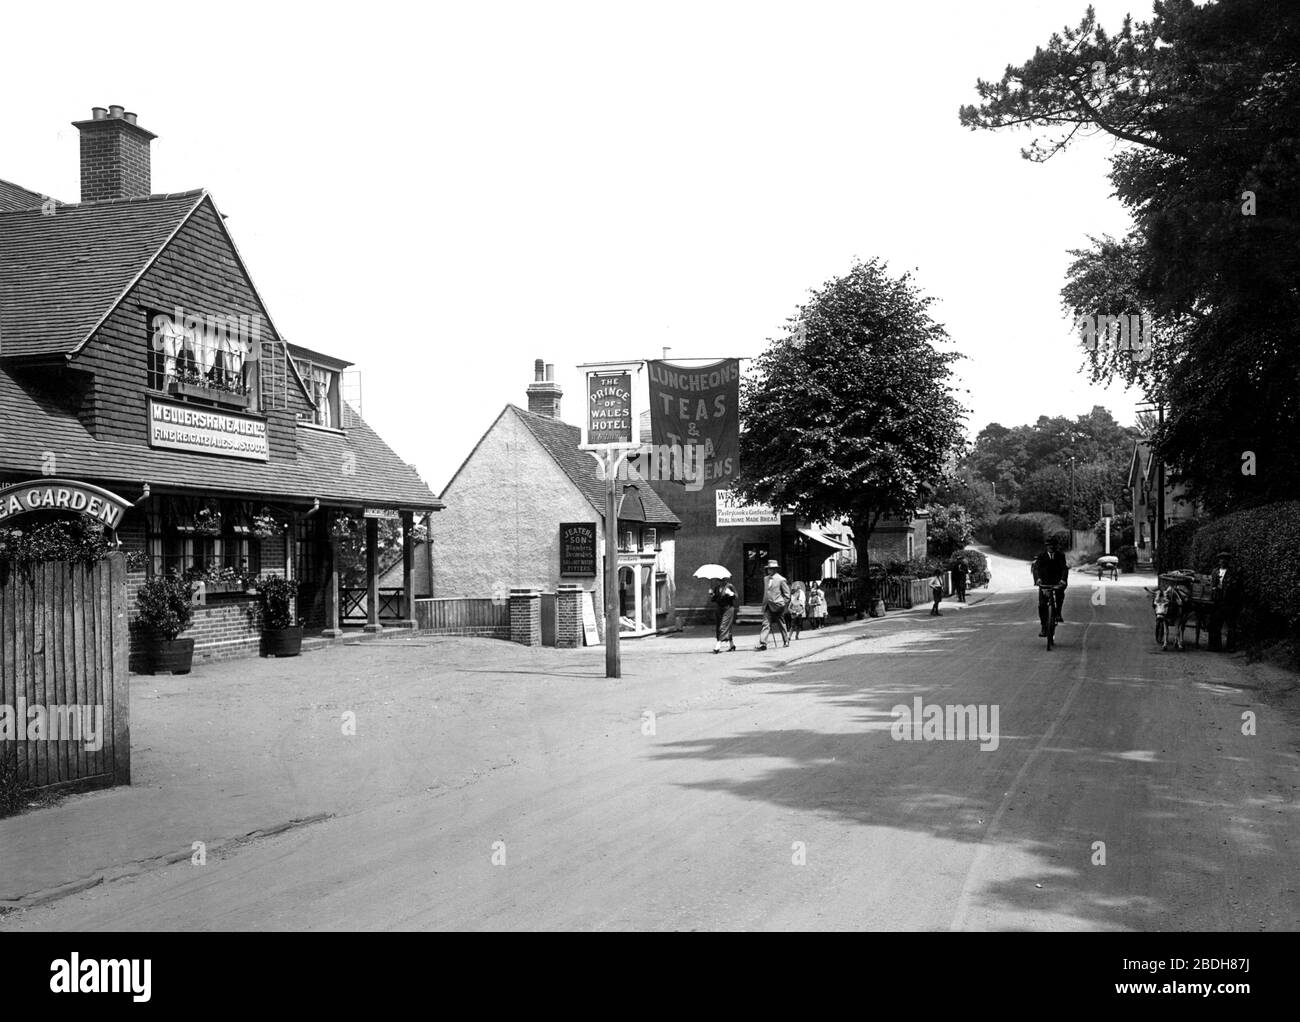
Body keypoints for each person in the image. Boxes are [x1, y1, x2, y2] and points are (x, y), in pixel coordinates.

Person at [1030, 535, 1069, 636]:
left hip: (1057, 582)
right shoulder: (1041, 556)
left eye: (1054, 546)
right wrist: (1037, 579)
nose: (1051, 548)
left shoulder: (1061, 556)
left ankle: (1058, 613)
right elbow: (1036, 569)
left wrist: (1063, 580)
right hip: (1044, 583)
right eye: (1049, 546)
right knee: (1042, 605)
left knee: (1060, 596)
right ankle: (1044, 627)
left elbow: (1064, 568)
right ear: (1046, 546)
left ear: (1056, 547)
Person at [1208, 551, 1241, 653]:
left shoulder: (1233, 572)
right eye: (1221, 559)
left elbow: (1235, 586)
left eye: (1225, 559)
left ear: (1228, 561)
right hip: (1217, 602)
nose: (1223, 561)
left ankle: (1230, 647)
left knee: (1231, 625)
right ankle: (1215, 646)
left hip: (1229, 602)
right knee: (1214, 624)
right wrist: (1214, 589)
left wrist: (1224, 588)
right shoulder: (1215, 572)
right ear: (1219, 560)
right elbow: (1212, 584)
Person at [755, 559, 791, 650]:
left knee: (781, 623)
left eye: (771, 569)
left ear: (775, 569)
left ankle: (786, 640)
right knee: (765, 624)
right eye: (768, 568)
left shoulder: (781, 579)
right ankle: (763, 643)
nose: (769, 570)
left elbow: (787, 594)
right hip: (767, 605)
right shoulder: (765, 579)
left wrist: (782, 603)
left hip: (777, 605)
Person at [710, 579, 737, 653]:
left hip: (728, 609)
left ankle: (718, 646)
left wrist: (731, 594)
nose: (720, 581)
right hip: (719, 609)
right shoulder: (716, 588)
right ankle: (732, 645)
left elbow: (736, 596)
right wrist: (712, 595)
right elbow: (715, 599)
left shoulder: (729, 586)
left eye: (721, 580)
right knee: (720, 627)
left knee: (723, 626)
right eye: (718, 580)